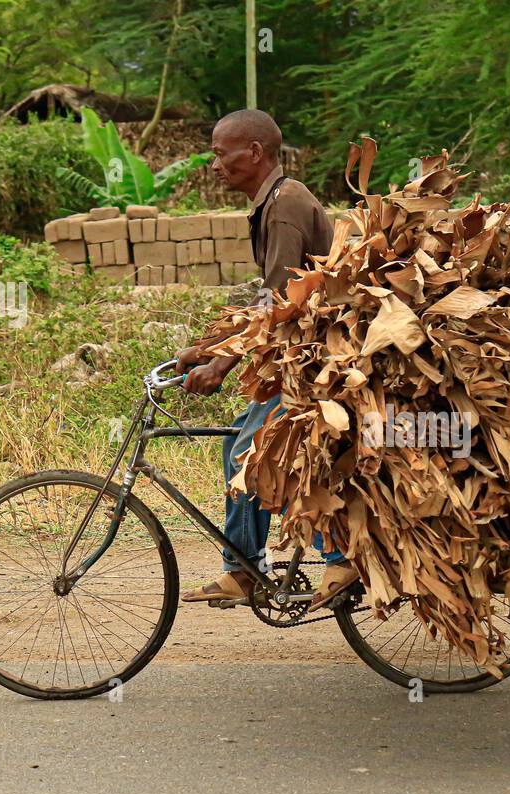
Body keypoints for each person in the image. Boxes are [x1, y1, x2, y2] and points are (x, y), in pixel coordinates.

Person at [173, 109, 359, 610]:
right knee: (238, 442)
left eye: (219, 152)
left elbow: (280, 306)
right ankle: (247, 567)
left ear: (253, 153)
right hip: (300, 355)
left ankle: (332, 560)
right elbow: (268, 300)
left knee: (252, 456)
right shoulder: (277, 200)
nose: (214, 164)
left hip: (314, 362)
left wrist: (219, 365)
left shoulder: (283, 207)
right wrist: (206, 348)